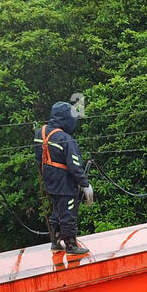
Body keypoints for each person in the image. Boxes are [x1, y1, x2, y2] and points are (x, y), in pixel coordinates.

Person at [34, 101, 93, 260]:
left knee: (56, 211)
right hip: (65, 183)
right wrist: (85, 184)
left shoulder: (41, 132)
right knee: (68, 213)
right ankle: (71, 245)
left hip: (49, 181)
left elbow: (39, 158)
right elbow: (75, 166)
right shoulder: (66, 139)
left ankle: (56, 242)